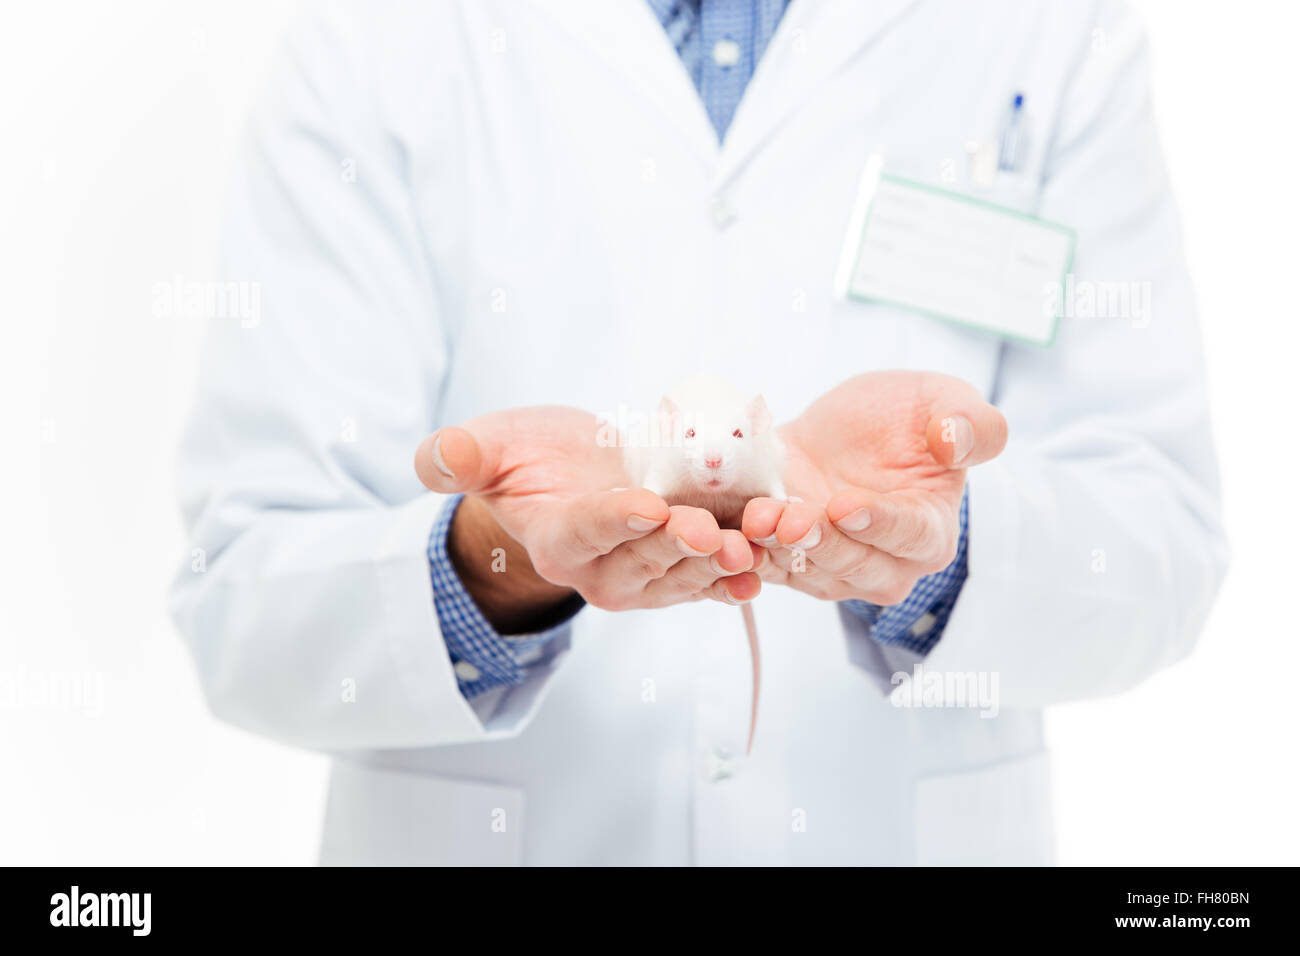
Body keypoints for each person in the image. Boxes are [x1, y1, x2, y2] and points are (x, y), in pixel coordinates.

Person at [171, 0, 1227, 865]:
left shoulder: (1048, 34)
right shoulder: (372, 41)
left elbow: (1158, 543)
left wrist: (922, 551)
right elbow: (243, 599)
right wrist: (496, 560)